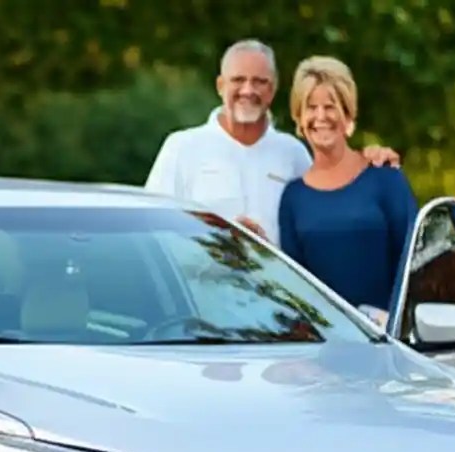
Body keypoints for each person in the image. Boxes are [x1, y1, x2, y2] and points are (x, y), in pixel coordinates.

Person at [143, 39, 401, 245]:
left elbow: (333, 200)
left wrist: (369, 159)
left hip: (274, 306)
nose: (248, 90)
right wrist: (216, 240)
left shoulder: (293, 153)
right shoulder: (182, 148)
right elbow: (150, 229)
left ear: (273, 89)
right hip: (198, 300)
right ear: (220, 85)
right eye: (238, 80)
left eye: (259, 82)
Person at [276, 55, 419, 327]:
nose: (320, 117)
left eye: (330, 107)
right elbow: (296, 293)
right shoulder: (293, 199)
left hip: (391, 346)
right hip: (326, 352)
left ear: (348, 115)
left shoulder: (385, 178)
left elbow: (416, 267)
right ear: (299, 118)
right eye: (311, 107)